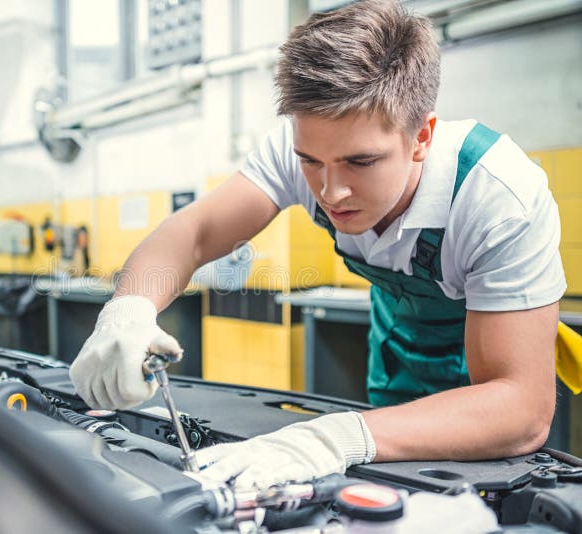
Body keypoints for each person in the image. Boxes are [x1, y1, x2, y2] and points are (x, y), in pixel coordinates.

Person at [69, 0, 565, 489]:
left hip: (490, 410)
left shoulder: (497, 196)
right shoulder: (300, 147)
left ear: (422, 137)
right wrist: (129, 309)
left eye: (361, 162)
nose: (330, 192)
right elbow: (194, 234)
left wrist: (329, 439)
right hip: (395, 373)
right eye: (311, 162)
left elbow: (518, 406)